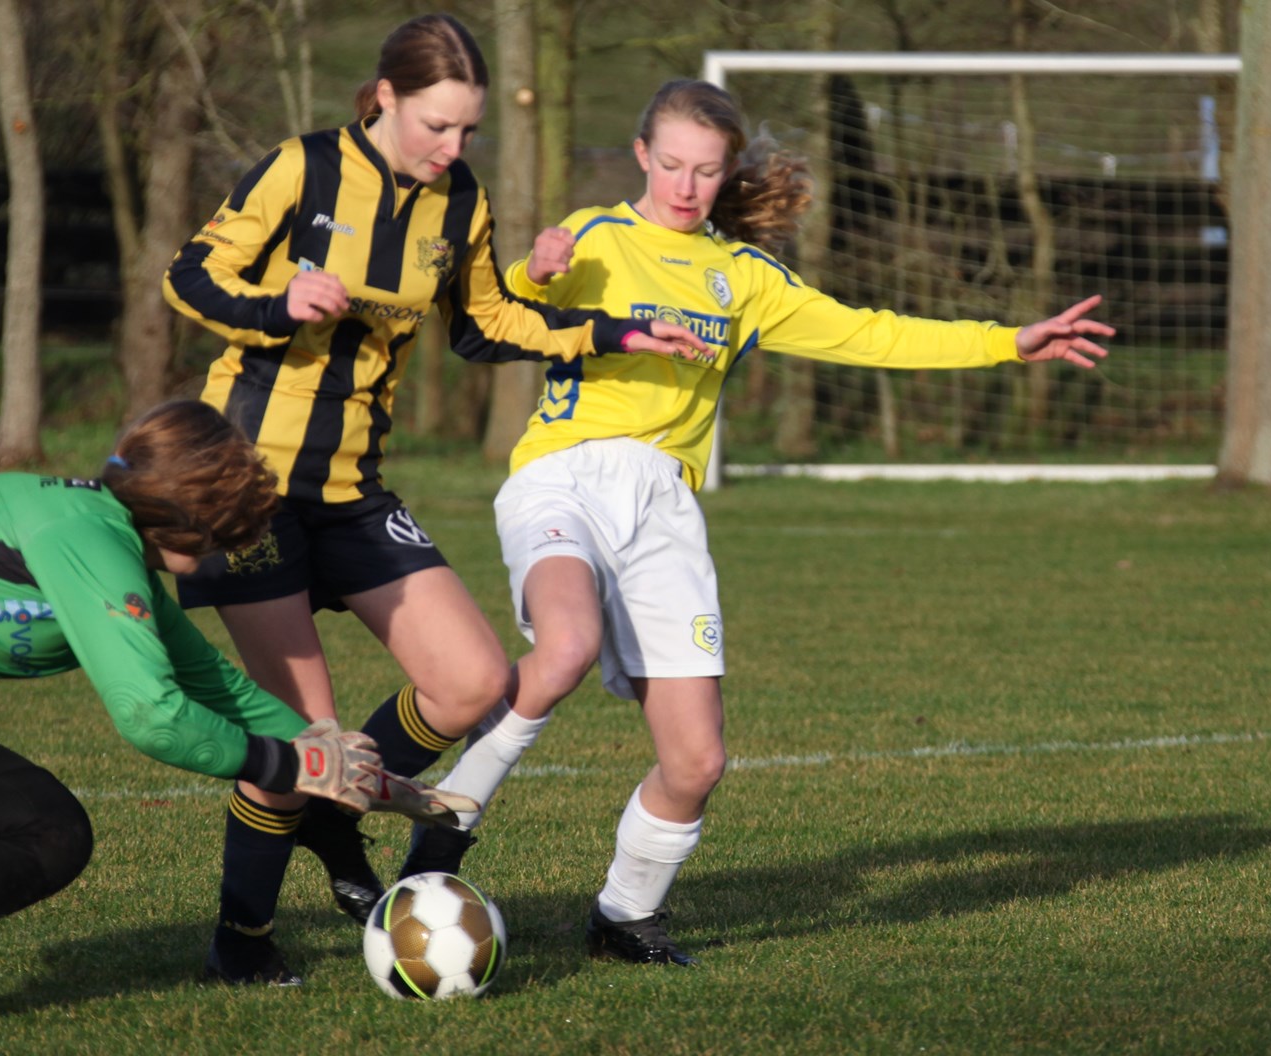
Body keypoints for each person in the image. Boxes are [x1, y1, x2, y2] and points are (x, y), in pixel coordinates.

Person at [393, 78, 1116, 965]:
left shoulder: (745, 278)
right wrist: (535, 270)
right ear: (640, 157)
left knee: (697, 763)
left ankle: (624, 917)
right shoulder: (594, 235)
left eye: (705, 170)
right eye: (670, 166)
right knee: (567, 647)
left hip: (663, 501)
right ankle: (446, 825)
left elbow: (872, 333)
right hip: (564, 479)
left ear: (727, 171)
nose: (686, 186)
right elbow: (498, 313)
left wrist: (1008, 339)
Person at [159, 14, 705, 983]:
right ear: (384, 98)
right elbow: (190, 277)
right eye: (435, 128)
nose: (450, 149)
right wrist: (275, 306)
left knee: (474, 682)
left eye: (466, 132)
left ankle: (332, 818)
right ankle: (237, 939)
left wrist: (617, 333)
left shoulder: (459, 201)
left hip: (354, 488)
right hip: (245, 485)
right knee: (304, 738)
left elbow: (486, 324)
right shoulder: (301, 170)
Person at [0, 400, 463, 1043]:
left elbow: (212, 685)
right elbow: (154, 717)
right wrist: (295, 768)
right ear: (187, 516)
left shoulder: (113, 543)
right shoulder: (87, 533)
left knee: (47, 833)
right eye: (220, 532)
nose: (219, 553)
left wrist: (364, 773)